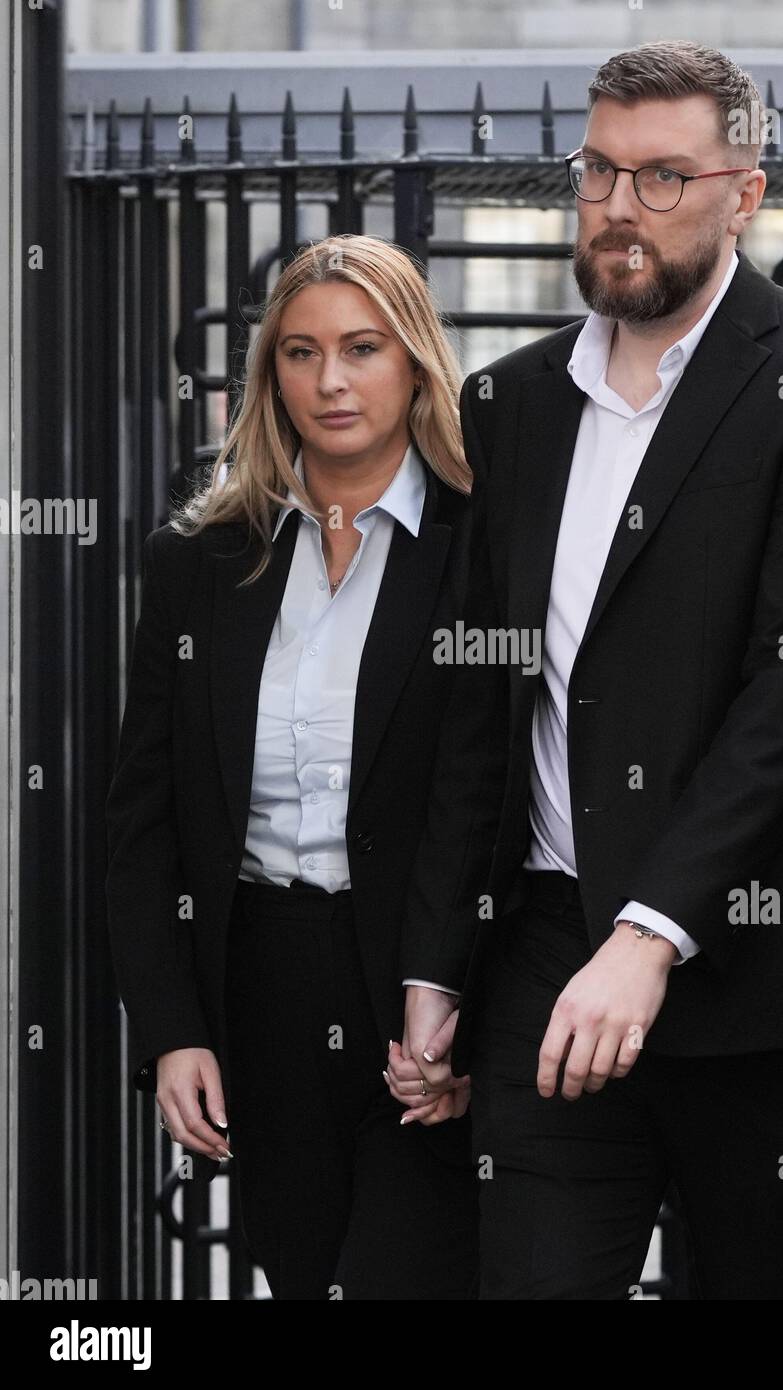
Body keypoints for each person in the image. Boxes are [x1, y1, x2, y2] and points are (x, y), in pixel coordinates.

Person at [387, 40, 783, 1300]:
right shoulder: (514, 400)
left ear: (743, 193)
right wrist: (437, 973)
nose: (617, 209)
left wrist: (653, 933)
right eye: (597, 172)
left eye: (660, 177)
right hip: (543, 952)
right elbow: (484, 709)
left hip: (747, 969)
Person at [106, 234, 478, 1299]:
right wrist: (174, 1032)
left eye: (362, 347)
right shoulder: (199, 561)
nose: (331, 380)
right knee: (305, 1275)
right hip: (261, 989)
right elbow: (145, 823)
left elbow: (492, 796)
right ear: (270, 374)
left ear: (414, 361)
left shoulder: (482, 549)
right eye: (301, 352)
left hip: (426, 995)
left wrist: (457, 995)